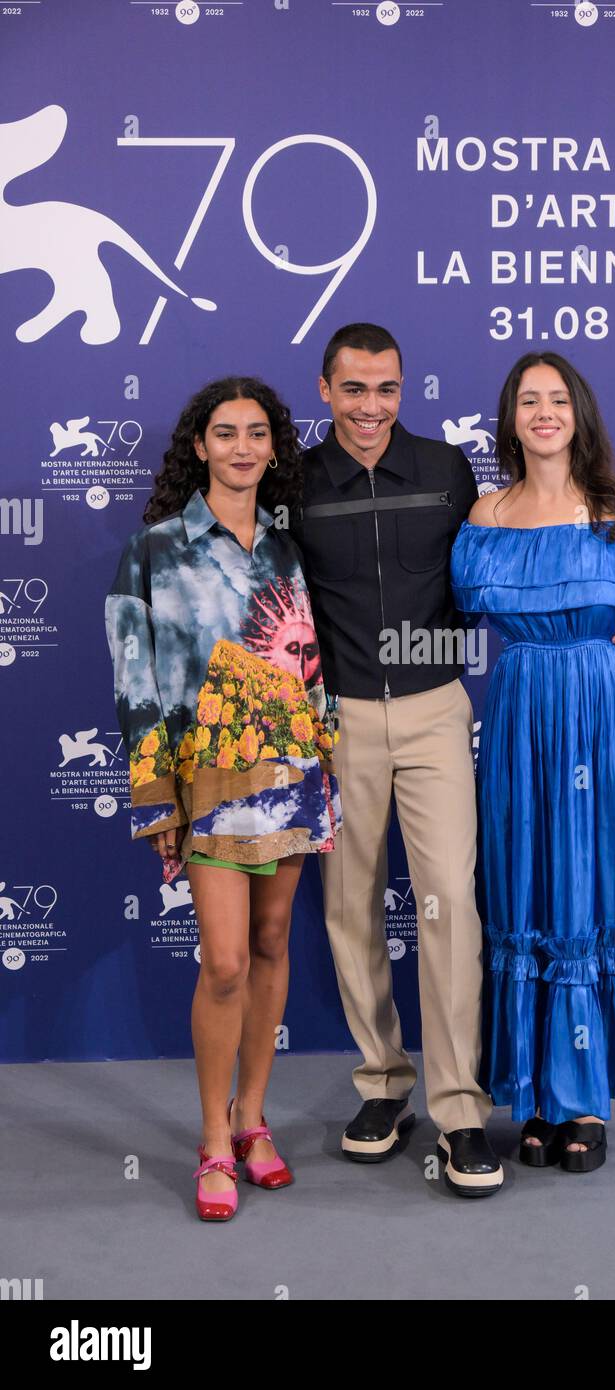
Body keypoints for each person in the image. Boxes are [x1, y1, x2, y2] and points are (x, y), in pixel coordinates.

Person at [292, 324, 615, 1196]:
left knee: (451, 907)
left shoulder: (448, 473)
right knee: (350, 909)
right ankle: (382, 1086)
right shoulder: (295, 482)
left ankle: (458, 1109)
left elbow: (503, 576)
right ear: (325, 390)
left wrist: (594, 613)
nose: (372, 407)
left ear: (405, 390)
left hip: (441, 714)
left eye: (387, 389)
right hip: (341, 722)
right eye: (354, 389)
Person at [450, 351, 615, 1174]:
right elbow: (450, 613)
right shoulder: (484, 518)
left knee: (595, 891)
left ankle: (584, 1099)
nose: (544, 412)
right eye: (530, 401)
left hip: (604, 717)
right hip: (521, 720)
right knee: (527, 888)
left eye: (558, 399)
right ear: (511, 418)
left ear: (579, 414)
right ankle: (535, 1096)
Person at [105, 377, 341, 1221]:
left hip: (291, 773)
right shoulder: (153, 550)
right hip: (204, 779)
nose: (241, 447)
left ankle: (253, 1119)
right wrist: (155, 801)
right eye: (224, 433)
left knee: (275, 940)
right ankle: (212, 1137)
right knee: (228, 959)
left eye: (257, 433)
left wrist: (327, 770)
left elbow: (312, 668)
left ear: (275, 448)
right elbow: (136, 686)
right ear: (199, 447)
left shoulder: (288, 547)